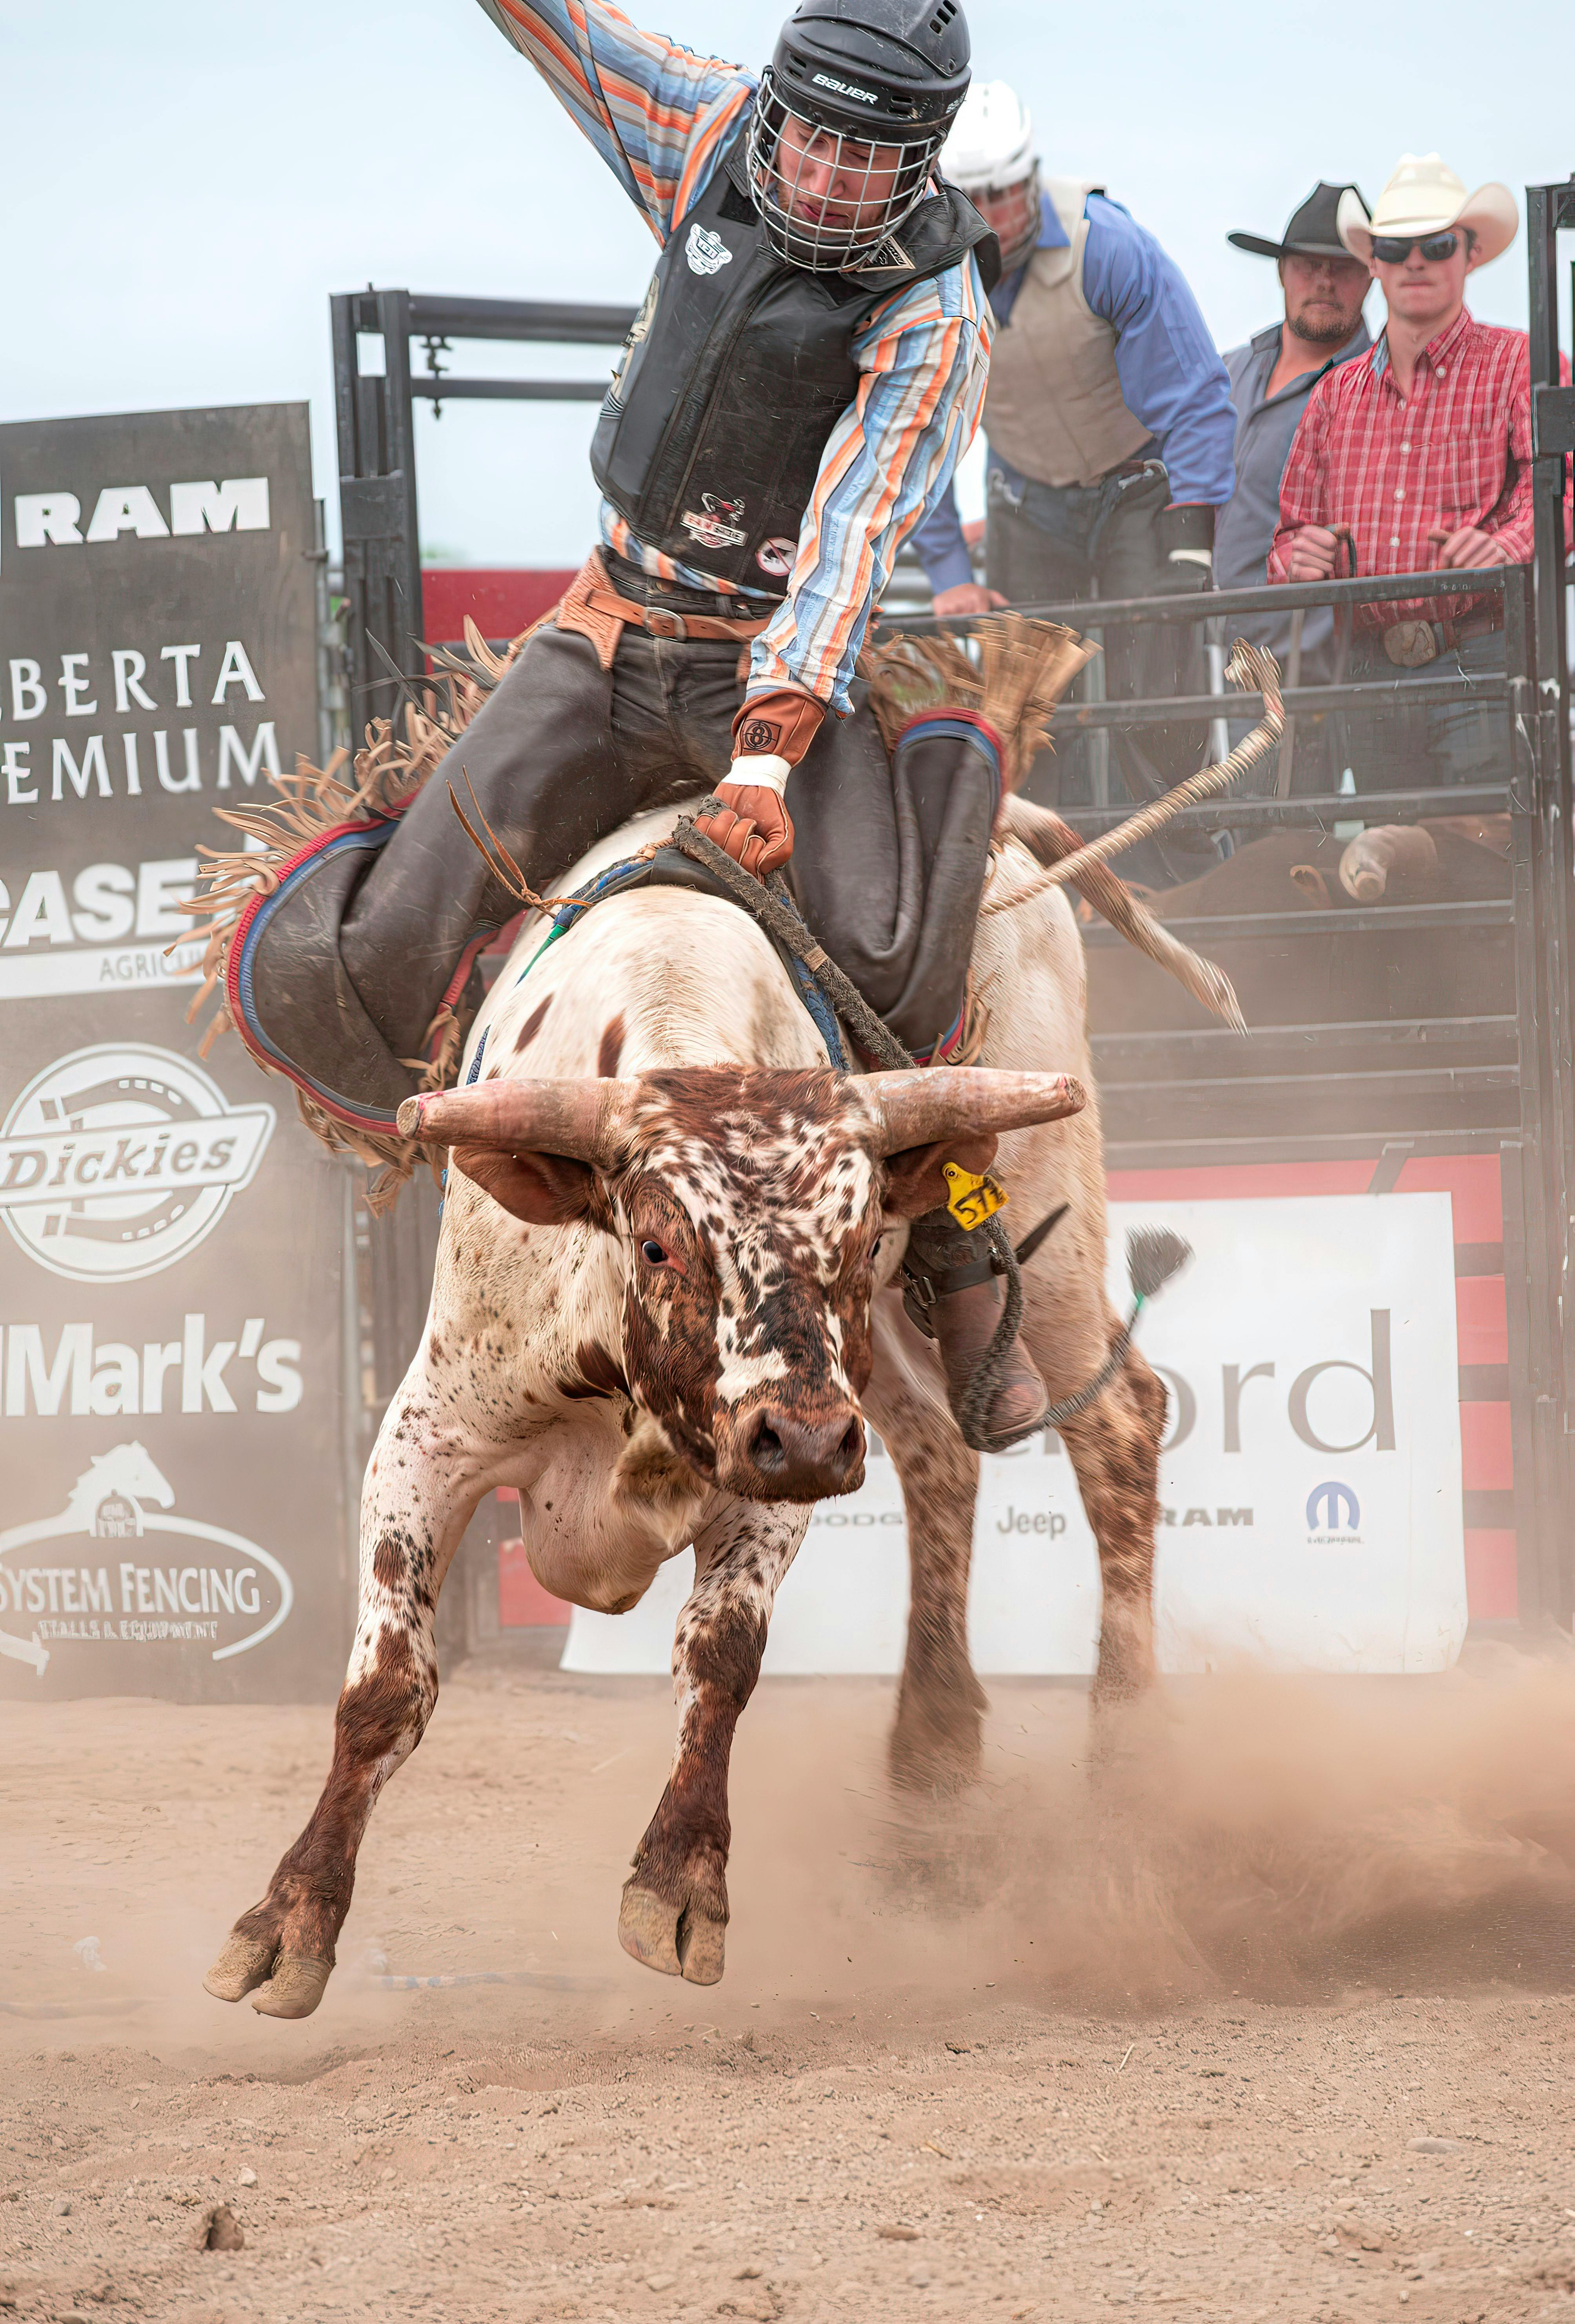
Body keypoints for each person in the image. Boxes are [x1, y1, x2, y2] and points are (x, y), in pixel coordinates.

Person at [225, 0, 1056, 1451]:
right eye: (808, 136)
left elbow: (850, 546)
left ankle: (958, 1246)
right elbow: (565, 30)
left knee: (888, 957)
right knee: (383, 938)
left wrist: (768, 746)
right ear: (780, 110)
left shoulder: (934, 313)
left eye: (865, 157)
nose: (820, 174)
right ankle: (493, 1225)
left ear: (917, 163)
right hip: (609, 631)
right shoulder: (704, 128)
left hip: (773, 667)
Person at [905, 79, 1236, 855]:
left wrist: (1189, 541)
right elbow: (915, 431)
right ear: (942, 190)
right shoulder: (920, 279)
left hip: (1134, 488)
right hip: (1023, 500)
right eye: (975, 193)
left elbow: (1194, 395)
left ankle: (1182, 873)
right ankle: (1034, 884)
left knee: (1157, 682)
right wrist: (951, 569)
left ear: (1031, 179)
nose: (997, 211)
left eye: (1009, 190)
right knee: (1027, 702)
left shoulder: (1107, 245)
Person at [1269, 154, 1569, 796]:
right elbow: (1289, 535)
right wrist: (1299, 557)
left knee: (1485, 861)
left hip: (1483, 657)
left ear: (1469, 254)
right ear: (1374, 261)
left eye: (1436, 245)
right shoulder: (1333, 396)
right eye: (1397, 247)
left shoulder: (1521, 364)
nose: (1415, 262)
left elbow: (1567, 490)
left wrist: (1503, 550)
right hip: (1369, 672)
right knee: (1394, 870)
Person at [1215, 182, 1371, 795]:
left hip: (1309, 672)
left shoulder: (1376, 387)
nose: (1324, 282)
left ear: (1371, 278)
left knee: (1283, 857)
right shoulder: (1228, 371)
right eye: (1309, 265)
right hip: (1211, 660)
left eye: (1343, 269)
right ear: (1283, 271)